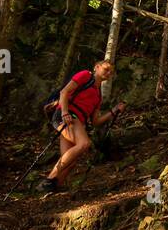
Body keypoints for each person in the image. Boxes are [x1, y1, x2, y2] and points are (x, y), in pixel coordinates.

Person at [37, 60, 124, 194]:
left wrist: (114, 111)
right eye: (106, 69)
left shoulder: (98, 95)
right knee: (84, 143)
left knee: (70, 161)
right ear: (97, 67)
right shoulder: (85, 76)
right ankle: (49, 179)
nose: (109, 73)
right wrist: (65, 112)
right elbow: (64, 92)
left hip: (75, 121)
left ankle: (52, 189)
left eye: (111, 72)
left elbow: (95, 122)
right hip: (66, 115)